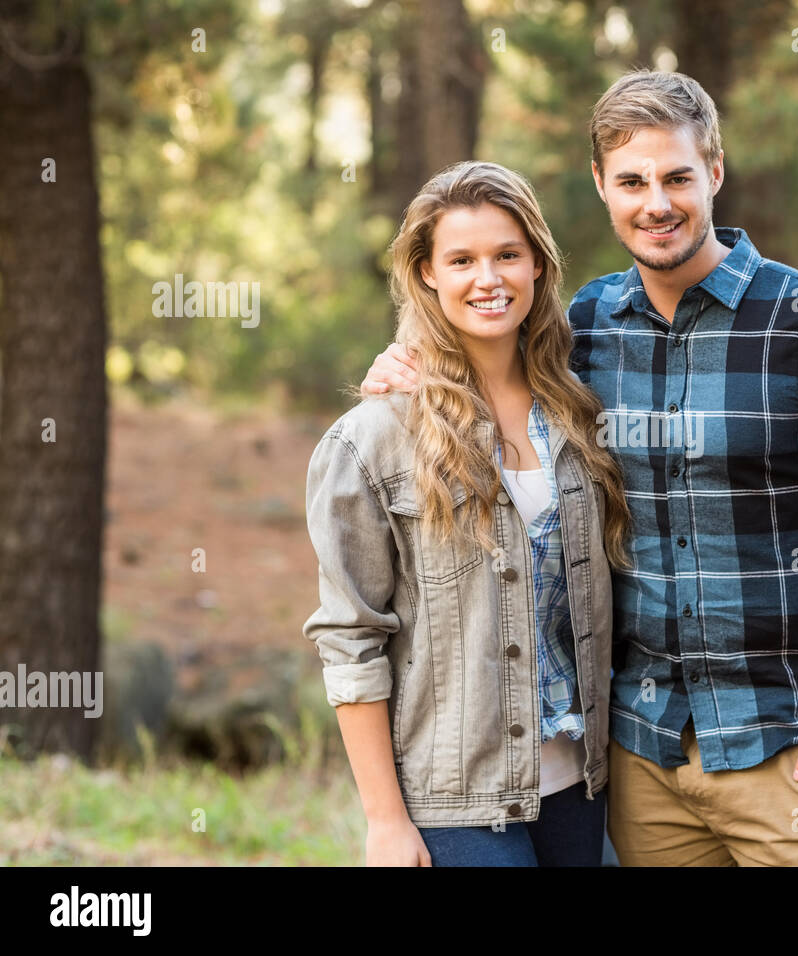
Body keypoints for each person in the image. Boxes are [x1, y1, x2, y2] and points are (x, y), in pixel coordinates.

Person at [360, 70, 798, 867]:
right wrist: (404, 365)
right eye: (632, 181)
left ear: (714, 172)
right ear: (602, 187)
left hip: (786, 746)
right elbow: (482, 354)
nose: (657, 202)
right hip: (641, 755)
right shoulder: (581, 329)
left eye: (677, 177)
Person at [303, 160, 636, 867]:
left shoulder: (579, 412)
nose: (489, 279)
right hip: (455, 801)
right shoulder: (375, 437)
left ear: (538, 266)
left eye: (507, 255)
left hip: (580, 784)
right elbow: (351, 639)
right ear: (427, 272)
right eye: (462, 259)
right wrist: (385, 822)